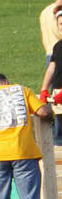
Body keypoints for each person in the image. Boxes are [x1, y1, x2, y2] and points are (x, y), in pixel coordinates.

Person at [41, 8, 62, 141]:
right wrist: (44, 89)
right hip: (58, 94)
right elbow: (51, 68)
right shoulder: (58, 46)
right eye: (61, 24)